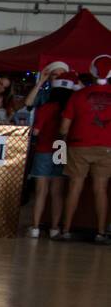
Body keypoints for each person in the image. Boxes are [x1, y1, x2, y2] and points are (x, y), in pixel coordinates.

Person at [56, 60, 111, 243]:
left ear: (93, 72)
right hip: (107, 147)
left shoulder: (78, 96)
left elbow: (64, 128)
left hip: (79, 145)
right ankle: (101, 233)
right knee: (101, 189)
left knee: (74, 187)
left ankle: (65, 231)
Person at [24, 64, 76, 239]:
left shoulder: (46, 106)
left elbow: (36, 130)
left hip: (43, 149)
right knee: (57, 191)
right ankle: (55, 228)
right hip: (61, 148)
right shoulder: (72, 104)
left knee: (41, 191)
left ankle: (36, 227)